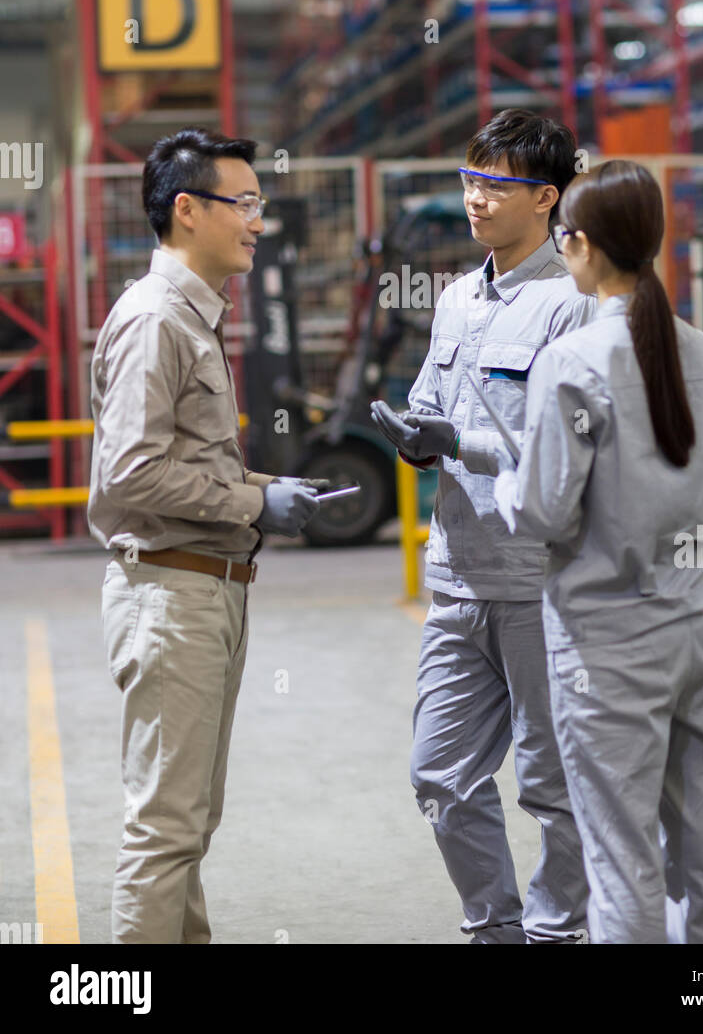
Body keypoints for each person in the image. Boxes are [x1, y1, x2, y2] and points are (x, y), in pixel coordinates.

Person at [492, 159, 703, 944]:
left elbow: (540, 511)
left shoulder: (573, 363)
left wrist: (500, 475)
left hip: (606, 648)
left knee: (621, 858)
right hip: (697, 633)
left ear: (580, 245)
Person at [89, 128, 325, 944]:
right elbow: (128, 476)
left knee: (188, 823)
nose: (259, 221)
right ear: (187, 211)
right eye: (246, 204)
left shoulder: (194, 315)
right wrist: (255, 508)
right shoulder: (158, 321)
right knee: (164, 829)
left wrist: (265, 489)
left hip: (207, 588)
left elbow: (182, 462)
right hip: (170, 592)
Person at [371, 108, 597, 944]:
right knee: (439, 773)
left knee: (552, 782)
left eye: (493, 185)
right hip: (456, 577)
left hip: (539, 582)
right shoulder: (460, 298)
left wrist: (458, 439)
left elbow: (571, 446)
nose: (474, 198)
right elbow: (433, 400)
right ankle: (494, 927)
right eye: (468, 180)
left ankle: (556, 931)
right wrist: (413, 431)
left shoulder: (574, 305)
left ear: (546, 199)